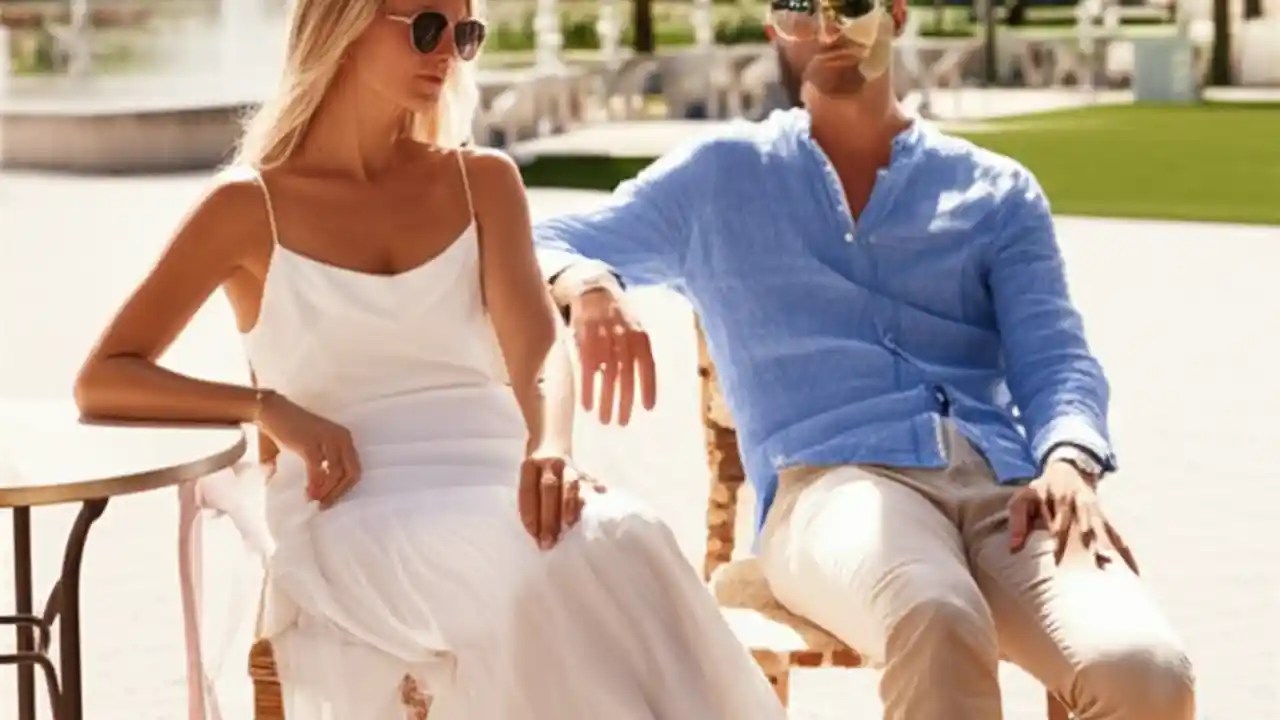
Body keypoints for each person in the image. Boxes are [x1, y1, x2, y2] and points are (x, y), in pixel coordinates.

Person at [70, 0, 789, 717]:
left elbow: (540, 350)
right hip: (352, 514)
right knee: (535, 576)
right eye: (424, 28)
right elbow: (105, 377)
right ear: (343, 27)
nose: (447, 51)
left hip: (500, 485)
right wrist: (265, 408)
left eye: (464, 33)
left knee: (633, 535)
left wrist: (553, 448)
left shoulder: (483, 184)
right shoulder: (245, 208)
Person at [533, 0, 1196, 718]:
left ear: (898, 15)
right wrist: (589, 283)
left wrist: (1069, 459)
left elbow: (1057, 358)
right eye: (799, 10)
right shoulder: (720, 177)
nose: (828, 30)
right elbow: (530, 238)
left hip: (1005, 489)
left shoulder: (996, 192)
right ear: (774, 33)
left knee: (1145, 670)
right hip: (827, 490)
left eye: (850, 6)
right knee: (937, 615)